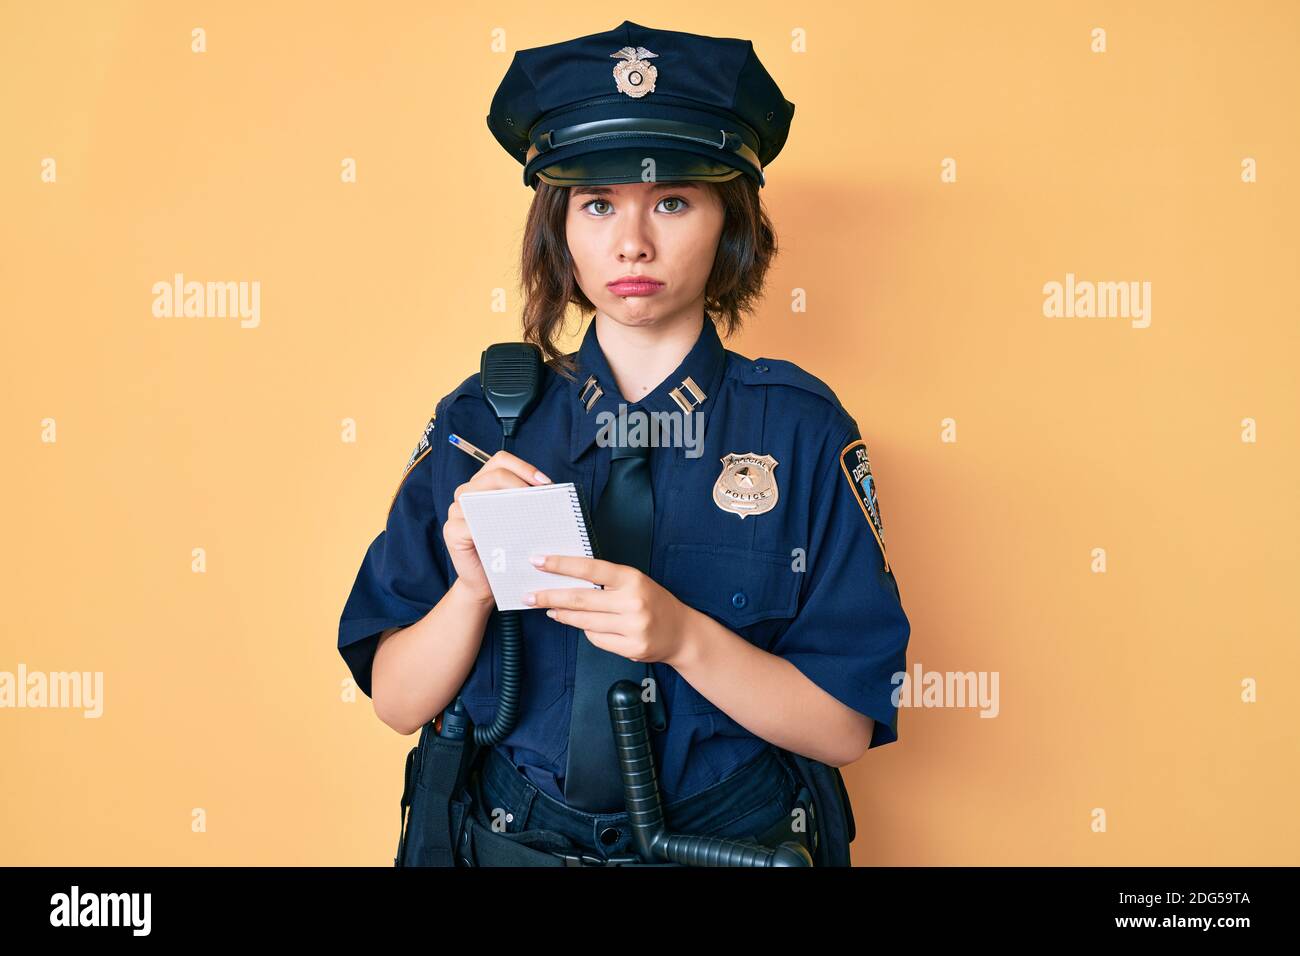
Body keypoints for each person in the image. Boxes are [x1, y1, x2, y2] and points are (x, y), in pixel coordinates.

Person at [337, 19, 910, 866]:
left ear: (731, 222)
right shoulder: (479, 424)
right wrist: (468, 590)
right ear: (558, 230)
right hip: (512, 840)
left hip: (729, 842)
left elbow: (843, 728)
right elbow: (395, 699)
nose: (632, 242)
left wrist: (683, 637)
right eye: (598, 204)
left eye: (672, 201)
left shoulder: (800, 430)